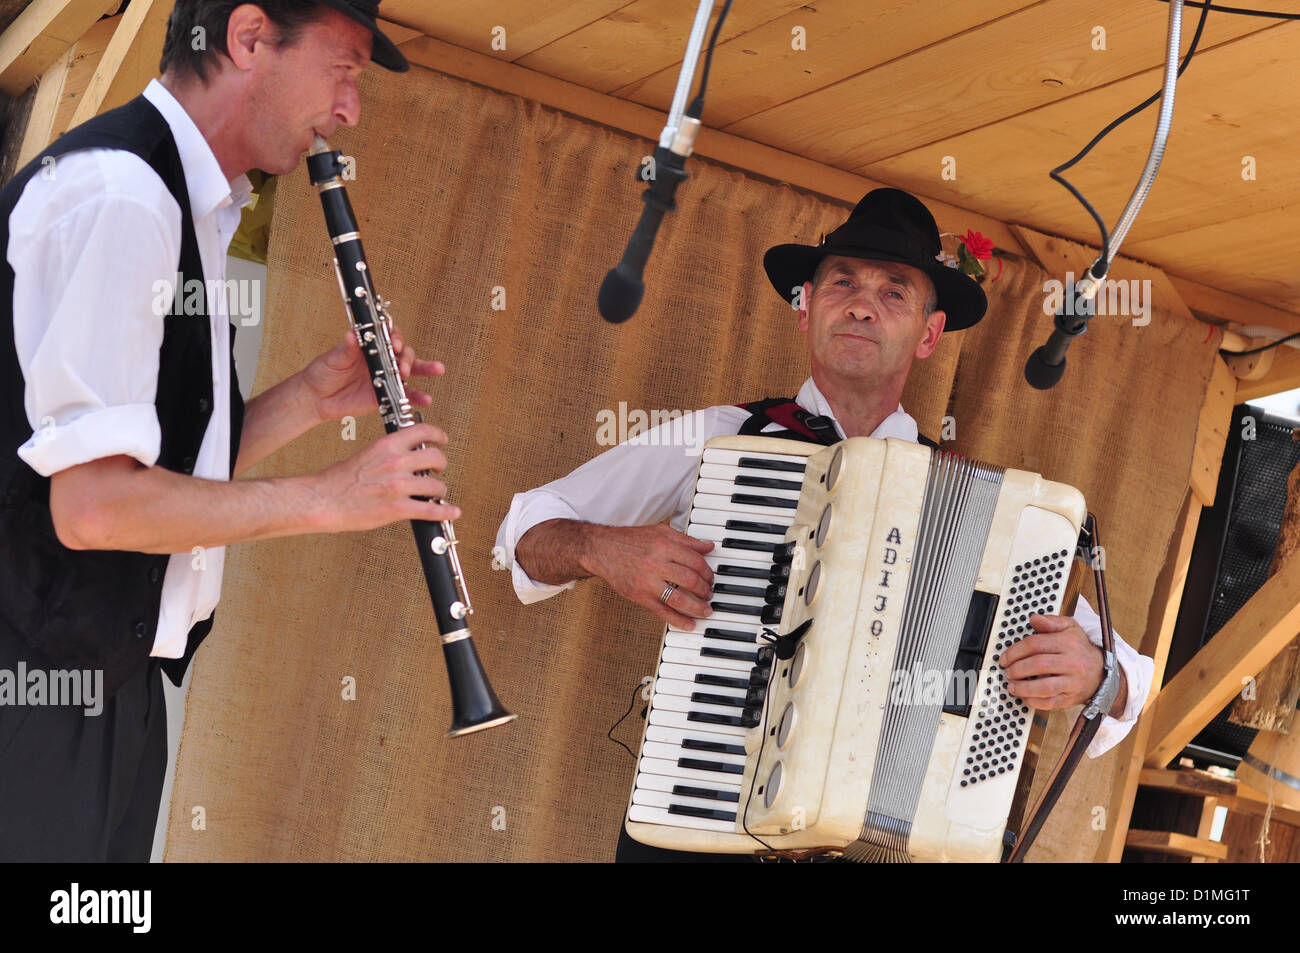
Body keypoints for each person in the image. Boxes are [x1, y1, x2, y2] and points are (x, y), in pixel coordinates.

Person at [495, 188, 1154, 861]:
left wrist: (1099, 672)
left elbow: (1132, 677)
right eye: (843, 281)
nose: (862, 302)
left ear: (929, 333)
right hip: (701, 827)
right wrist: (603, 547)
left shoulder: (971, 509)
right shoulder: (725, 437)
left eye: (895, 291)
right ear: (805, 307)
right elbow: (526, 531)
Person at [0, 0, 457, 861]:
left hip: (109, 699)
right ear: (248, 37)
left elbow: (149, 473)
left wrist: (308, 402)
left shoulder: (188, 202)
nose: (351, 109)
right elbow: (94, 509)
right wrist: (331, 497)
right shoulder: (125, 195)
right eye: (346, 70)